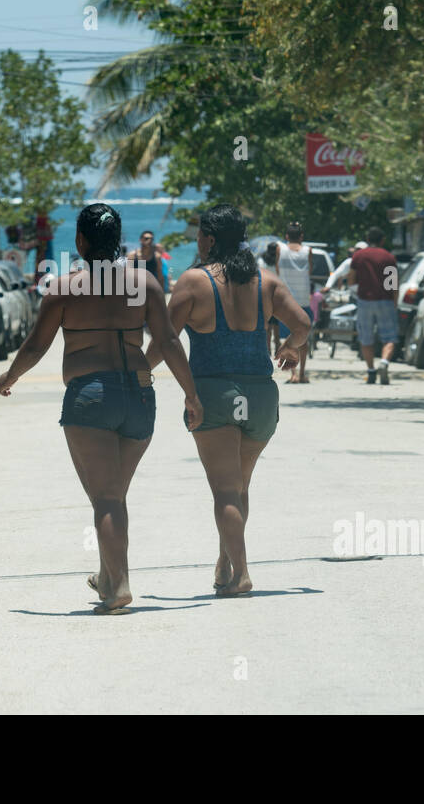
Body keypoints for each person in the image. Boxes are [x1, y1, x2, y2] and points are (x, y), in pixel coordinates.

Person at [0, 204, 202, 614]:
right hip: (141, 394)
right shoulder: (144, 283)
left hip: (91, 394)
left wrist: (11, 375)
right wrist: (191, 395)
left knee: (106, 498)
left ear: (80, 241)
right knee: (114, 495)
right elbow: (168, 342)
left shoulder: (65, 288)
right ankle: (108, 576)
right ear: (120, 238)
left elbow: (37, 345)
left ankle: (118, 585)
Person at [147, 205, 312, 597]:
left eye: (201, 235)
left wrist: (137, 371)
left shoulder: (192, 283)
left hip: (215, 395)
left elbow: (165, 342)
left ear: (209, 239)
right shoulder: (266, 281)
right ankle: (225, 564)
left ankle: (241, 572)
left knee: (224, 490)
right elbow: (303, 323)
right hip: (259, 395)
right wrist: (289, 348)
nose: (198, 241)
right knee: (239, 487)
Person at [347, 227, 400, 385]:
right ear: (382, 240)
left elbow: (351, 279)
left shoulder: (358, 256)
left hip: (364, 300)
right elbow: (392, 284)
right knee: (390, 337)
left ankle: (371, 371)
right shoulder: (389, 257)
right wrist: (394, 301)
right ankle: (384, 363)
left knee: (366, 337)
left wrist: (358, 291)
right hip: (385, 300)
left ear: (368, 239)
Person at [273, 222, 315, 383]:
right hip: (303, 299)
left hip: (286, 300)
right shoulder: (307, 251)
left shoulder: (280, 249)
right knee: (302, 337)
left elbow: (277, 269)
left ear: (286, 236)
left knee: (288, 338)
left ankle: (293, 374)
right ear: (302, 237)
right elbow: (309, 271)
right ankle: (302, 373)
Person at [258, 242, 280, 356]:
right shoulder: (278, 261)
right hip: (275, 293)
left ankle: (268, 349)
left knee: (267, 322)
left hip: (263, 293)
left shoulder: (261, 261)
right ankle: (277, 347)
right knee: (276, 322)